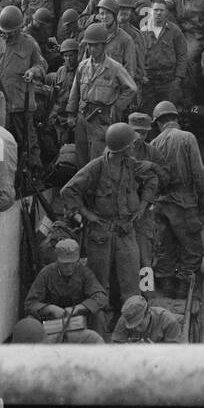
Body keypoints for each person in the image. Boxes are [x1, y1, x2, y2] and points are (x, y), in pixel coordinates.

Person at [61, 122, 159, 303]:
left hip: (126, 231)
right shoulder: (96, 167)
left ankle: (132, 318)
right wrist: (86, 214)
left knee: (131, 283)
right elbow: (68, 190)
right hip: (101, 233)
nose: (133, 146)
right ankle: (101, 323)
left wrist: (143, 205)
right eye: (130, 143)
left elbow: (152, 179)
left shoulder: (131, 165)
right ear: (123, 147)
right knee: (99, 284)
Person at [148, 100, 204, 297]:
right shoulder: (187, 138)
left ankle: (165, 283)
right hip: (184, 202)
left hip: (161, 203)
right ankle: (184, 285)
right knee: (191, 246)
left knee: (165, 245)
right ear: (175, 118)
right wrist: (201, 199)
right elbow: (199, 175)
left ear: (158, 122)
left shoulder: (153, 144)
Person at [67, 22, 139, 163]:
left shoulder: (114, 68)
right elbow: (75, 91)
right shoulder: (83, 66)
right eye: (89, 45)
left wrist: (116, 107)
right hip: (83, 116)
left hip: (102, 118)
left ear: (104, 45)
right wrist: (71, 113)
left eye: (96, 45)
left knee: (98, 157)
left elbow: (132, 88)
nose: (92, 49)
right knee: (81, 156)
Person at [23, 238, 108, 343]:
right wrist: (50, 308)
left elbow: (101, 297)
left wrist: (79, 308)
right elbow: (30, 304)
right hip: (51, 320)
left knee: (99, 315)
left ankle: (97, 351)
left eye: (72, 263)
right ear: (57, 260)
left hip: (77, 319)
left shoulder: (84, 272)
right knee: (29, 322)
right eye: (65, 264)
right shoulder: (46, 273)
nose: (69, 267)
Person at [112, 294, 182, 343]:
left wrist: (154, 351)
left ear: (148, 314)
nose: (137, 329)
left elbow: (174, 355)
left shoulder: (168, 321)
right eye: (132, 327)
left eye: (139, 324)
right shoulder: (126, 318)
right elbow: (116, 347)